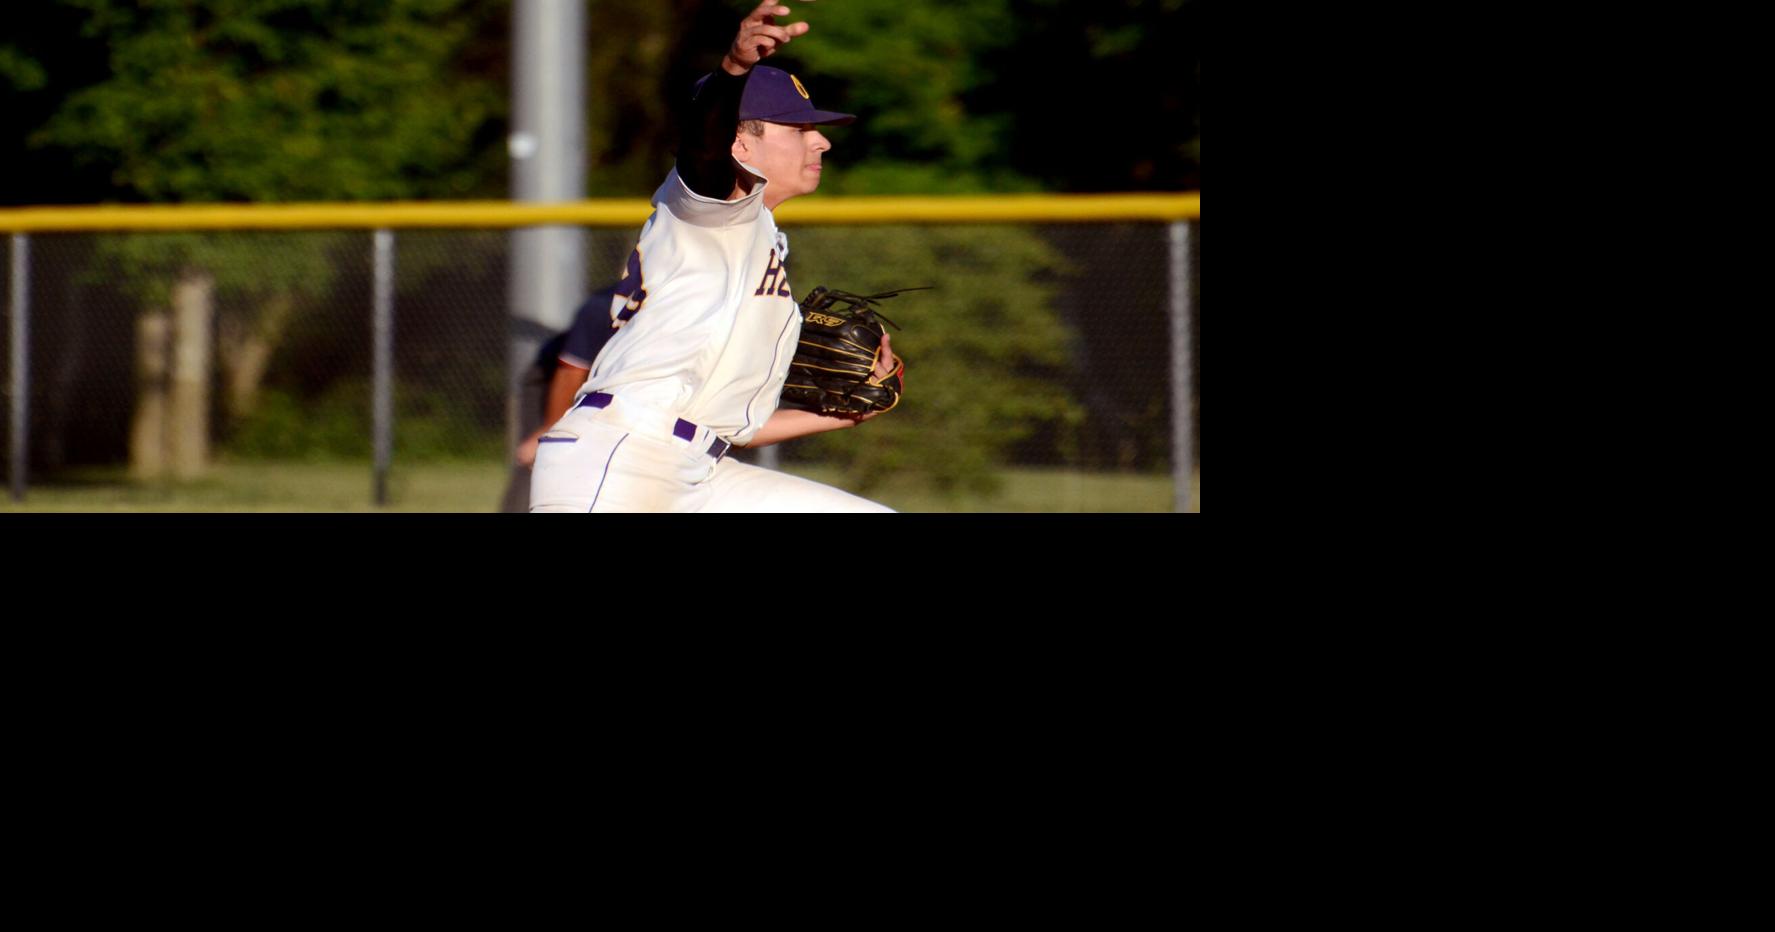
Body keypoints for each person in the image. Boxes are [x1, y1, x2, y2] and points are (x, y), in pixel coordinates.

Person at [530, 1, 896, 513]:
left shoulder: (757, 238)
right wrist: (734, 70)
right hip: (621, 455)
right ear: (739, 146)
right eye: (797, 129)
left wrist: (846, 411)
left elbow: (734, 427)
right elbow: (703, 151)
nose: (821, 142)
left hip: (702, 470)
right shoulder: (707, 209)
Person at [498, 284, 620, 513]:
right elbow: (570, 372)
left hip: (606, 387)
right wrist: (549, 432)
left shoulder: (680, 302)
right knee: (541, 458)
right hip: (552, 381)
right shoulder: (603, 306)